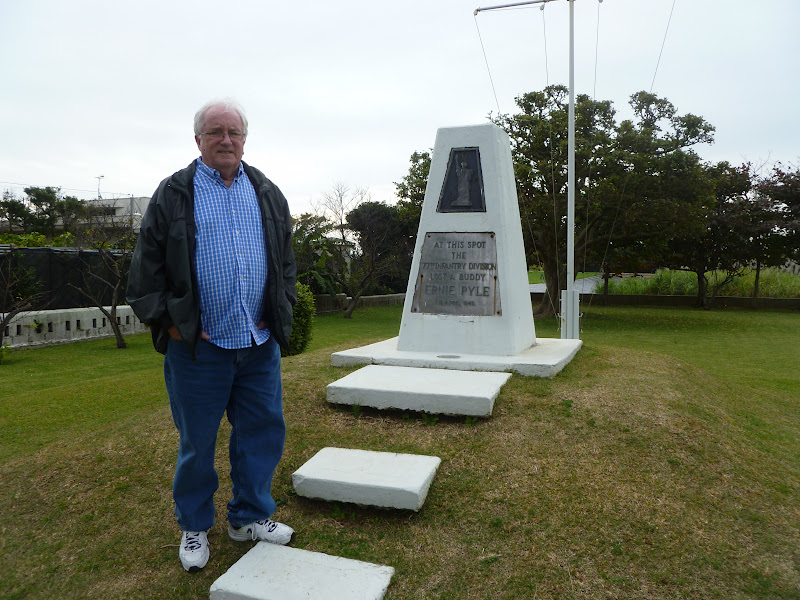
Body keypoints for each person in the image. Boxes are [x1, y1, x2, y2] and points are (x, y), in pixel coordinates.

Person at [126, 99, 297, 573]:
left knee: (261, 434)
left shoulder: (266, 191)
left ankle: (248, 517)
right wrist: (172, 323)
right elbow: (144, 272)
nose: (226, 140)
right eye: (215, 132)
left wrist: (279, 308)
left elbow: (285, 261)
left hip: (257, 344)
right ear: (198, 139)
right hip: (197, 348)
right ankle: (195, 525)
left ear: (244, 139)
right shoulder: (173, 194)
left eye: (234, 132)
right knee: (197, 443)